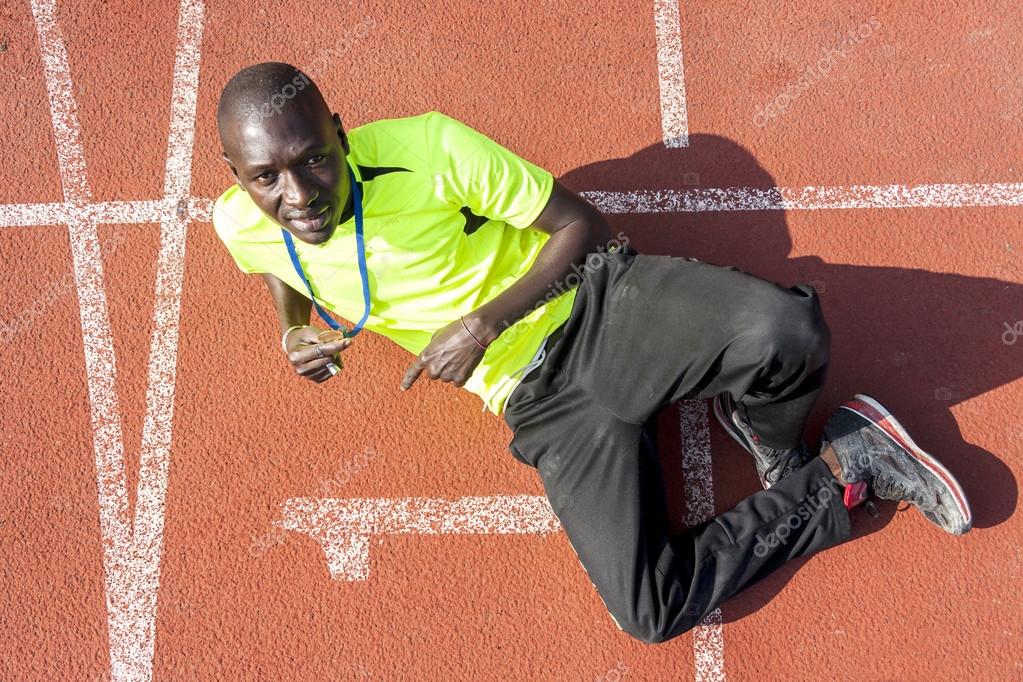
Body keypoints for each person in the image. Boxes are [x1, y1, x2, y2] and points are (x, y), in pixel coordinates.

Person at [213, 62, 972, 644]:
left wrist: (481, 324)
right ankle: (847, 466)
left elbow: (588, 229)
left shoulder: (429, 146)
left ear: (341, 135)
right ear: (236, 177)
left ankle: (768, 437)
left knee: (787, 332)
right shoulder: (240, 224)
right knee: (649, 611)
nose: (299, 194)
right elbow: (275, 262)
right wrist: (293, 328)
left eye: (313, 160)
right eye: (266, 178)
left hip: (596, 309)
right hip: (538, 399)